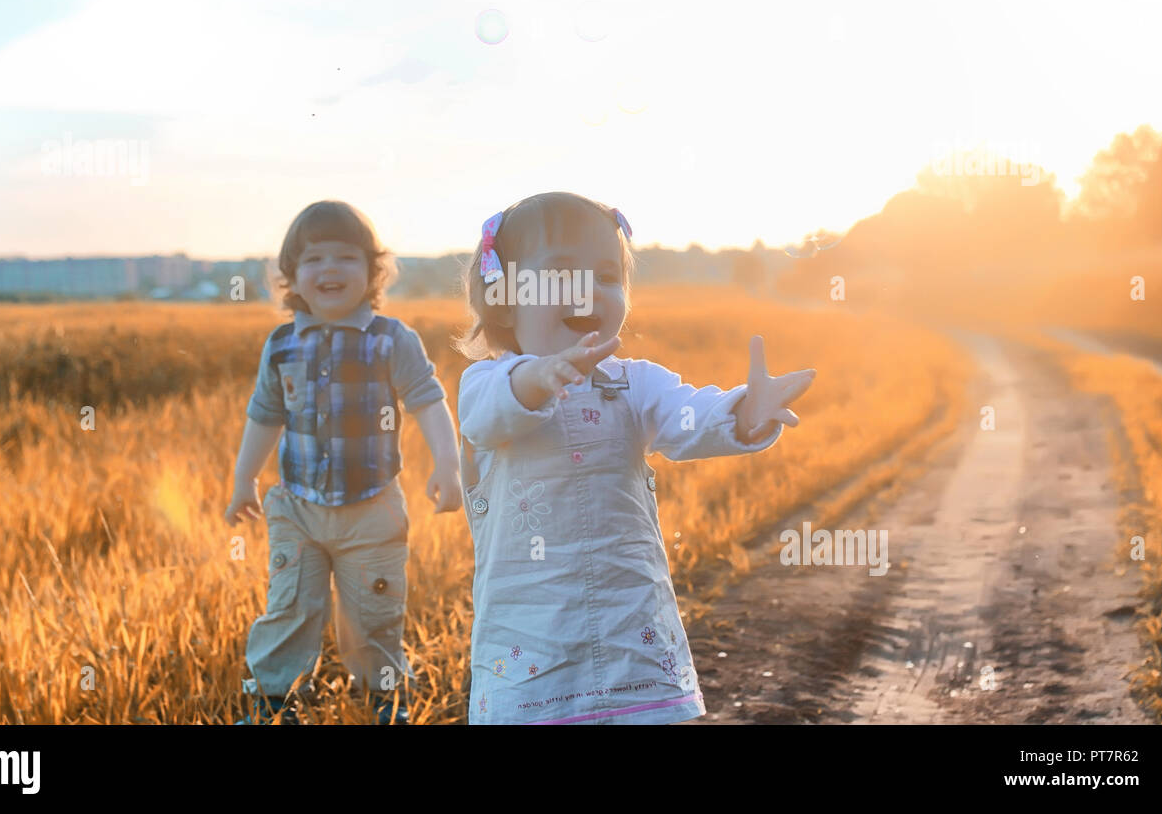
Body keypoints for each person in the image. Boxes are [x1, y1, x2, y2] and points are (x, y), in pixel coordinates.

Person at [454, 191, 815, 724]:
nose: (589, 292)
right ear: (505, 298)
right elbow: (488, 416)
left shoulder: (634, 383)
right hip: (533, 659)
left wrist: (742, 414)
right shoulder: (487, 384)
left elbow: (688, 414)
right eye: (563, 275)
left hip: (635, 646)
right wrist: (539, 376)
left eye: (606, 276)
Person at [226, 200, 463, 724]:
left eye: (345, 258)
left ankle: (386, 702)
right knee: (290, 608)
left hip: (373, 508)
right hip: (297, 509)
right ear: (291, 275)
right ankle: (274, 705)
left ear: (373, 271)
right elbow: (265, 413)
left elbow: (427, 398)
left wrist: (448, 465)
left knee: (372, 613)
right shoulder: (281, 345)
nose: (329, 270)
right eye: (313, 260)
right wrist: (244, 479)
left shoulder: (390, 339)